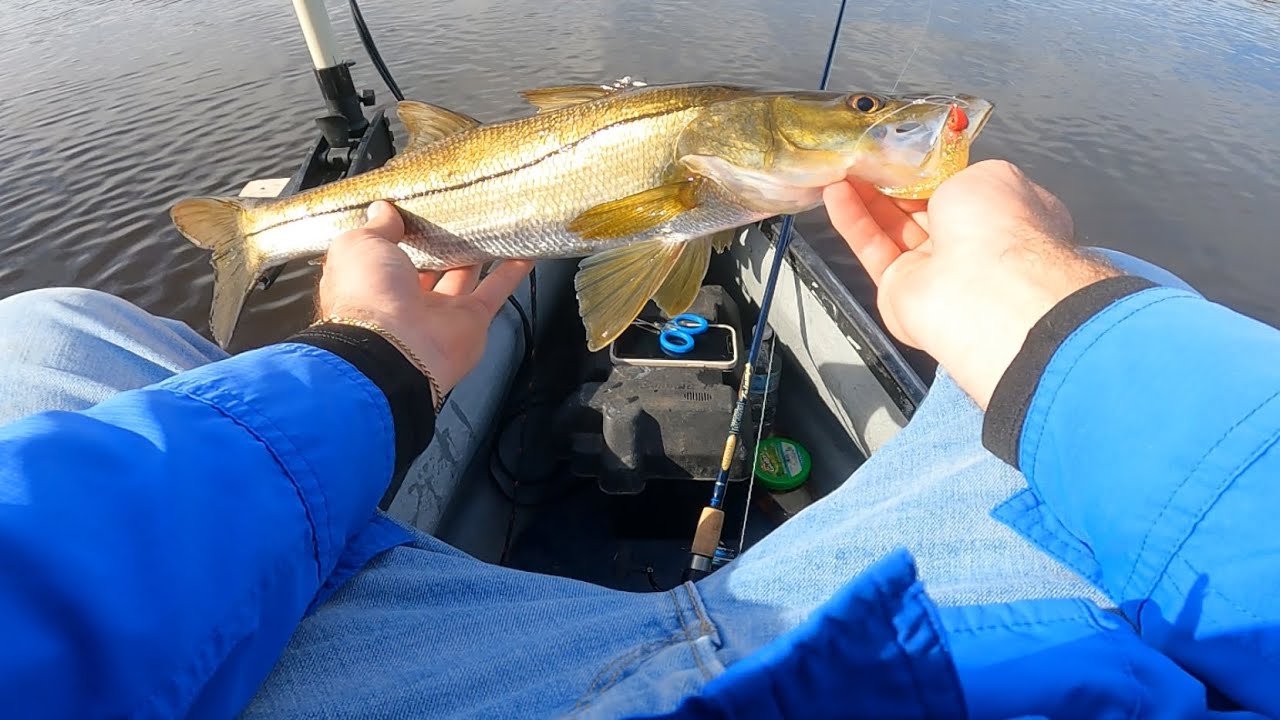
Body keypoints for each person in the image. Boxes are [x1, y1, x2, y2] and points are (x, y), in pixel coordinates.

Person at [0, 159, 1275, 719]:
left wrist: (368, 371)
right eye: (864, 111)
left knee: (45, 338)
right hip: (974, 666)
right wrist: (1036, 301)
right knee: (1101, 276)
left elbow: (56, 603)